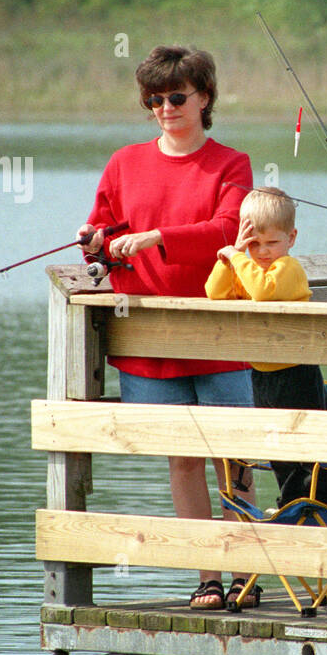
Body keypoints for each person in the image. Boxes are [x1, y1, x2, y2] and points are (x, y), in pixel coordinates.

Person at [78, 44, 257, 612]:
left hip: (219, 332)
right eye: (154, 100)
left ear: (204, 97)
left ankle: (245, 576)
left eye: (176, 97)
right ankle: (208, 576)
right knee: (181, 460)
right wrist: (96, 238)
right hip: (150, 337)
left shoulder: (232, 164)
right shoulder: (124, 162)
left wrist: (159, 237)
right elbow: (103, 226)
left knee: (236, 459)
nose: (165, 108)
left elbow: (230, 228)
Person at [206, 188, 327, 513]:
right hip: (263, 375)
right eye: (255, 244)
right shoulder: (247, 265)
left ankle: (318, 503)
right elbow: (214, 292)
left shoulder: (288, 269)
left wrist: (240, 258)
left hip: (297, 372)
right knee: (278, 446)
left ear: (291, 238)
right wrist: (234, 254)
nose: (263, 252)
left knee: (305, 444)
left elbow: (264, 292)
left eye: (272, 243)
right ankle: (290, 502)